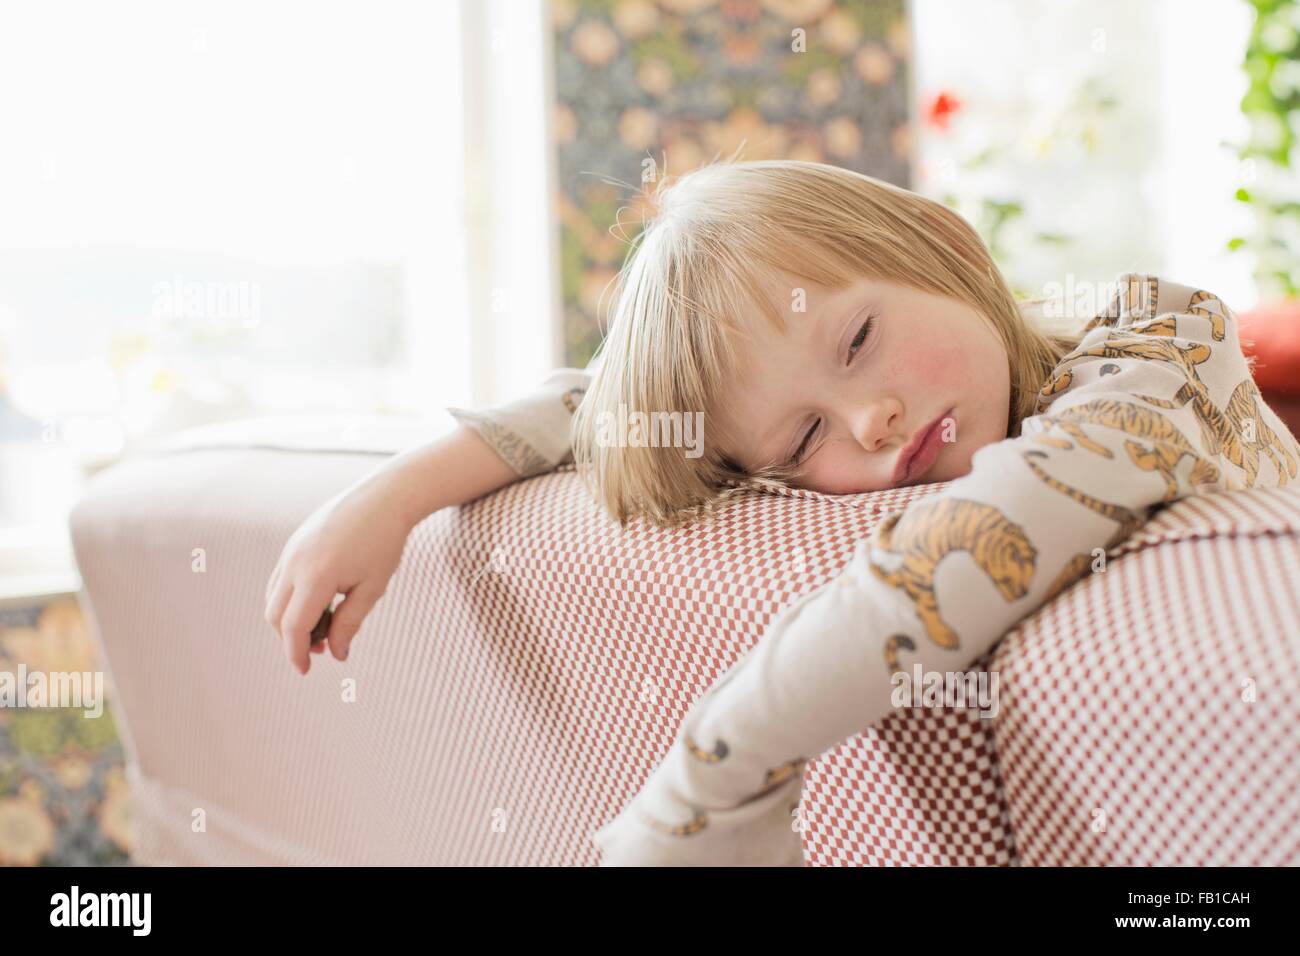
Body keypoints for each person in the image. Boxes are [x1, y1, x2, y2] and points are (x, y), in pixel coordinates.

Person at [264, 159, 1300, 866]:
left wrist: (715, 772)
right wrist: (395, 494)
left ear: (942, 245)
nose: (868, 414)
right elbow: (623, 412)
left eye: (855, 339)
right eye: (802, 441)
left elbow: (988, 534)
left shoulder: (1160, 346)